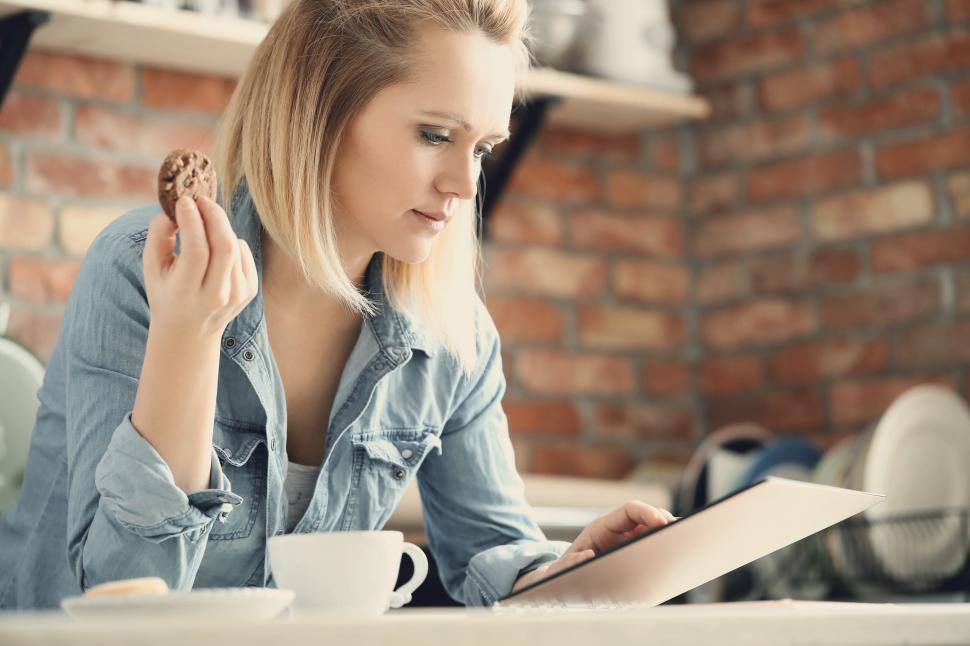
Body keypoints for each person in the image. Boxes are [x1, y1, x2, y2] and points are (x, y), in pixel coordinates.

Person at [0, 0, 674, 611]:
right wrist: (189, 333)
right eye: (436, 134)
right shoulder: (144, 269)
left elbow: (492, 550)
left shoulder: (453, 331)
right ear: (318, 110)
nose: (465, 184)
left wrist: (572, 575)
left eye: (485, 148)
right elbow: (123, 600)